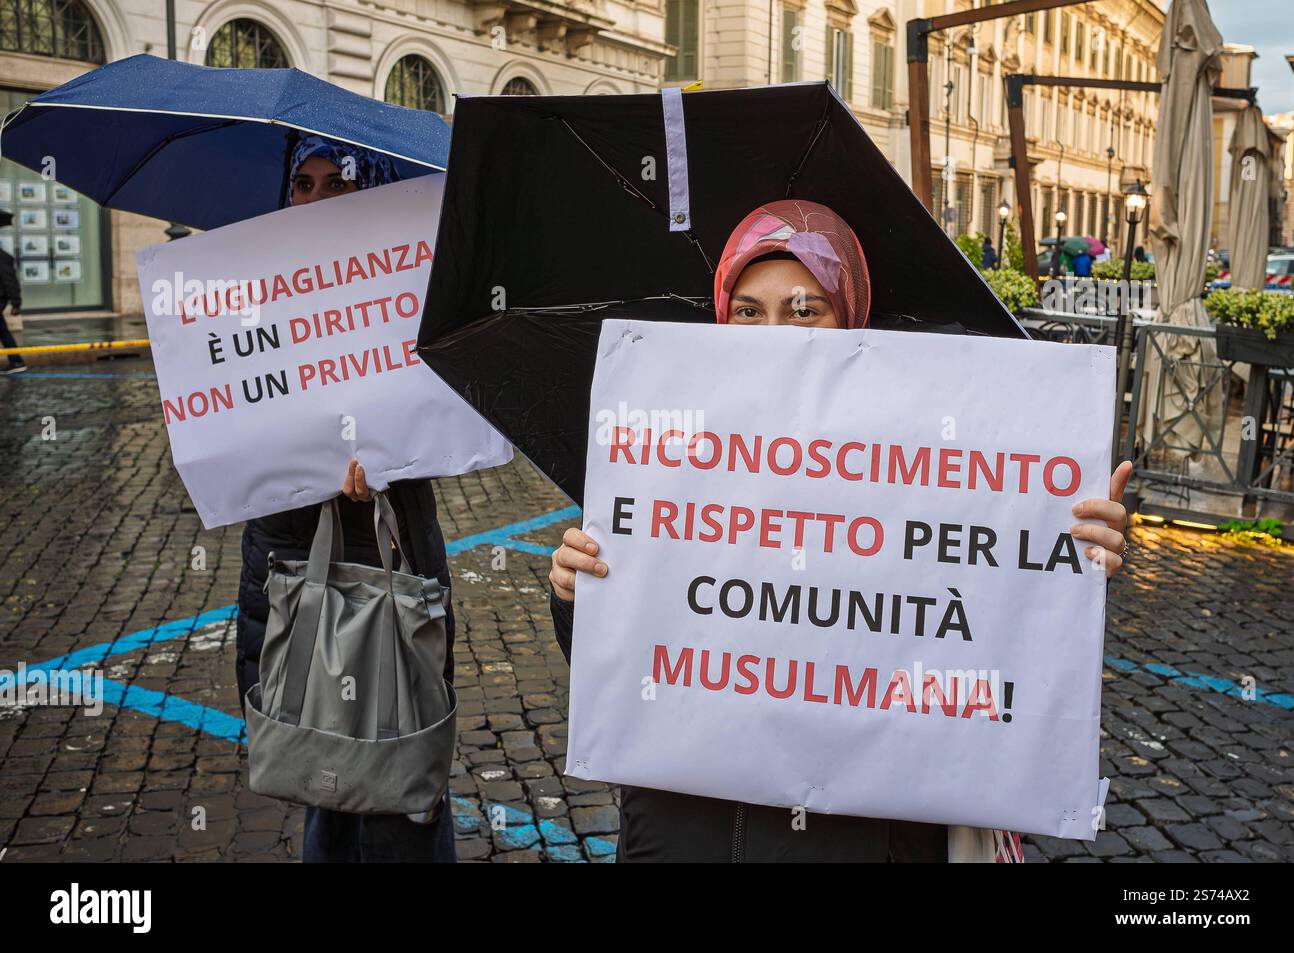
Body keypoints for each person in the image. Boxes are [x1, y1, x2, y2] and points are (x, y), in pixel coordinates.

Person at [547, 199, 1133, 862]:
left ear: (847, 317)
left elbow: (987, 640)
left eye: (804, 308)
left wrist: (1061, 555)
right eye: (748, 310)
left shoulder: (932, 469)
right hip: (683, 834)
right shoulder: (661, 460)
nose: (772, 333)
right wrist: (578, 593)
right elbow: (630, 664)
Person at [236, 136, 457, 863]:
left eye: (339, 183)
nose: (317, 198)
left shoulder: (404, 295)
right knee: (320, 754)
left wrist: (388, 460)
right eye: (304, 184)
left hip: (387, 558)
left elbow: (443, 421)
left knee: (400, 771)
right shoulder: (257, 303)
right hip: (290, 562)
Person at [0, 211, 26, 376]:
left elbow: (9, 280)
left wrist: (16, 303)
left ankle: (16, 360)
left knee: (2, 330)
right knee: (2, 330)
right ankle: (16, 360)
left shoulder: (2, 257)